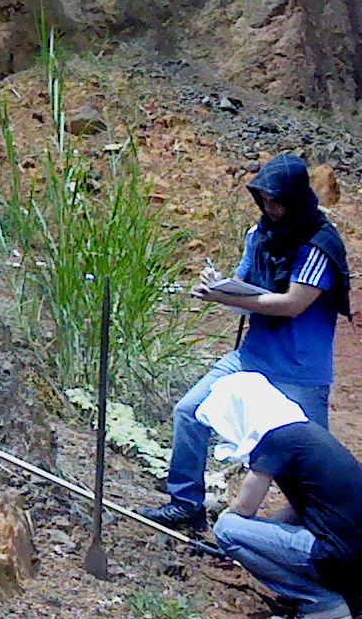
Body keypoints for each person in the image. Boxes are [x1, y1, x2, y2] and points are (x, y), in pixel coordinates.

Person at [139, 153, 351, 531]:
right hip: (252, 356)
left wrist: (224, 296)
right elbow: (245, 284)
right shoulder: (260, 235)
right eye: (265, 200)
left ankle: (318, 531)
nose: (270, 208)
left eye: (278, 201)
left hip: (300, 372)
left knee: (310, 459)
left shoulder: (319, 244)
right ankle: (185, 503)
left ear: (295, 199)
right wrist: (219, 284)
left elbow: (291, 304)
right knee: (190, 412)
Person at [196, 372, 362, 619]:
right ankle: (350, 602)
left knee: (227, 528)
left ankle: (322, 603)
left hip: (339, 554)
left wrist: (239, 545)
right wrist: (263, 543)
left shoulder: (275, 438)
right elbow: (303, 509)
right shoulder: (303, 432)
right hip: (354, 555)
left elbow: (243, 509)